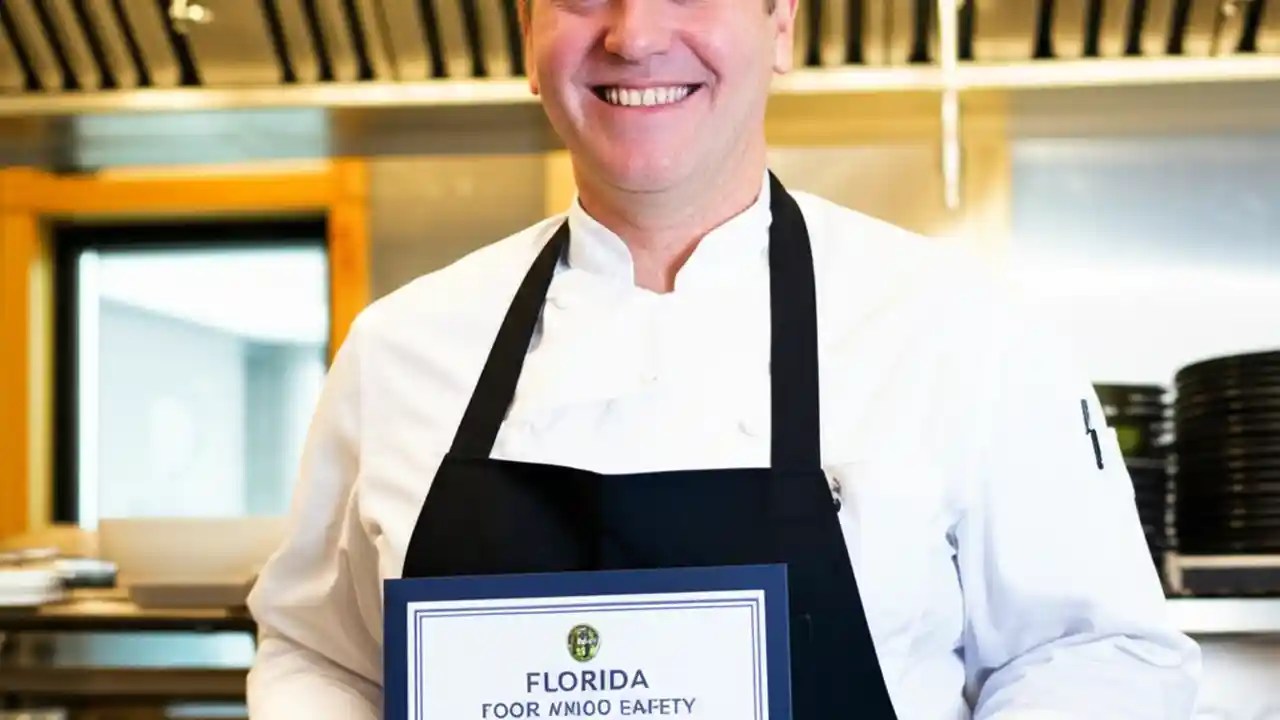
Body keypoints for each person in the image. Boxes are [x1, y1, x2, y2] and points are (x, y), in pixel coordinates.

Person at [245, 0, 1202, 716]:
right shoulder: (399, 348)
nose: (634, 31)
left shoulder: (963, 330)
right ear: (528, 34)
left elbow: (1096, 655)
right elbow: (318, 655)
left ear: (781, 21)